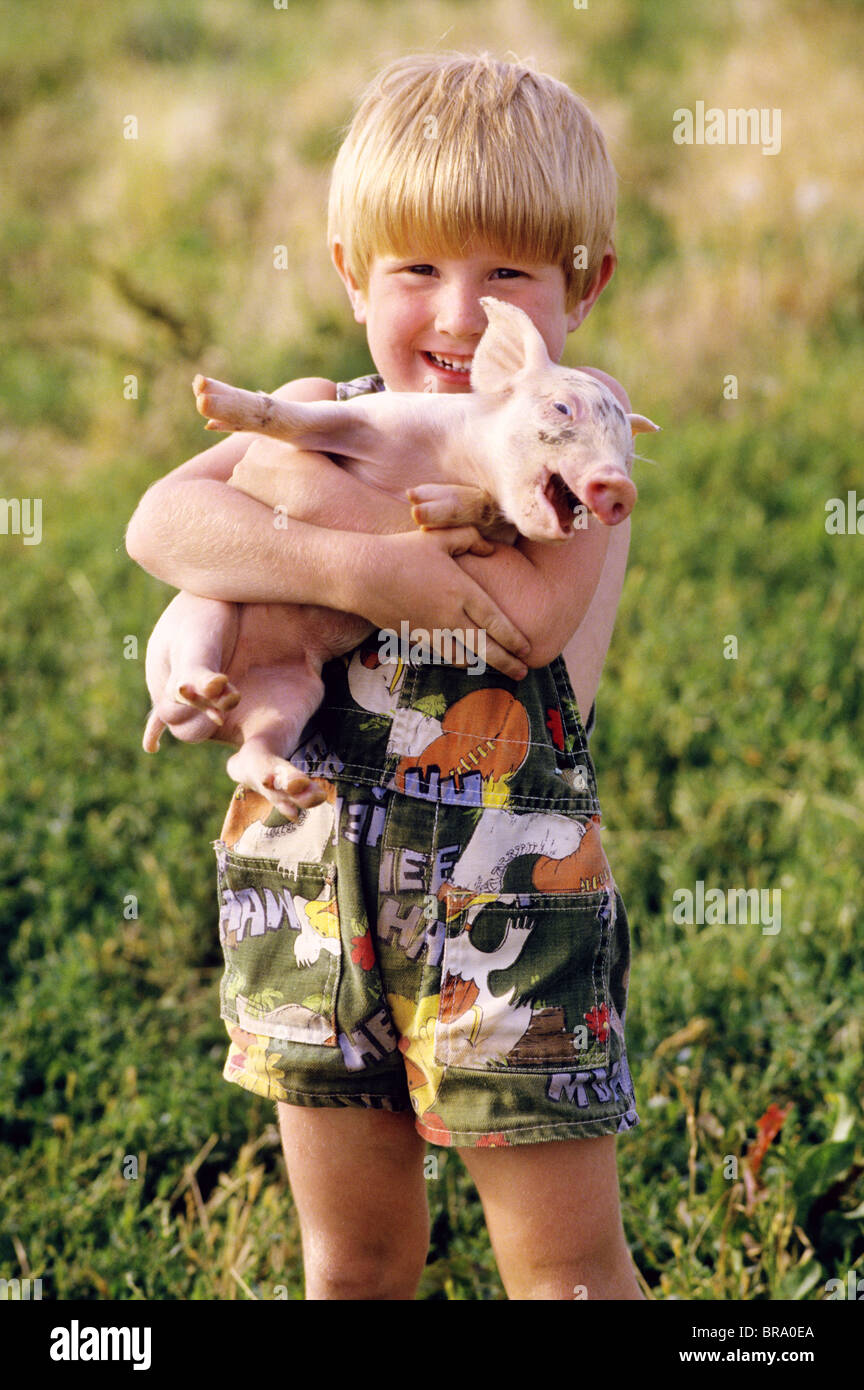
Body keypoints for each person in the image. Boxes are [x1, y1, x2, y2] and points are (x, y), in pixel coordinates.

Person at [126, 50, 643, 1301]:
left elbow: (515, 624)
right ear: (353, 272)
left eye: (507, 273)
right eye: (418, 269)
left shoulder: (573, 455)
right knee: (350, 1262)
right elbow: (161, 527)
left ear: (580, 288)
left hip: (504, 916)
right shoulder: (313, 410)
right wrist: (374, 566)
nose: (462, 316)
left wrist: (309, 542)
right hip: (301, 906)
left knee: (565, 1268)